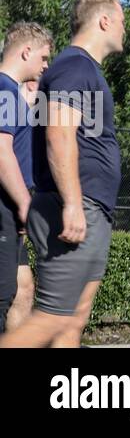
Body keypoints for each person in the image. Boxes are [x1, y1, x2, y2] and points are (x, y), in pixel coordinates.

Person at [1, 0, 124, 348]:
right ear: (104, 21)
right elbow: (58, 132)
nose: (124, 29)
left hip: (93, 206)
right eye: (122, 21)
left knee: (72, 321)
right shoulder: (75, 66)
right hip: (73, 203)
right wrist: (71, 203)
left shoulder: (83, 69)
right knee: (53, 317)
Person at [0, 22, 53, 332]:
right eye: (43, 58)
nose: (45, 66)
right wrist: (24, 204)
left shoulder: (11, 93)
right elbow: (1, 151)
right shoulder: (5, 89)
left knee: (20, 288)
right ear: (26, 51)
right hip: (5, 206)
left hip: (9, 207)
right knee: (2, 294)